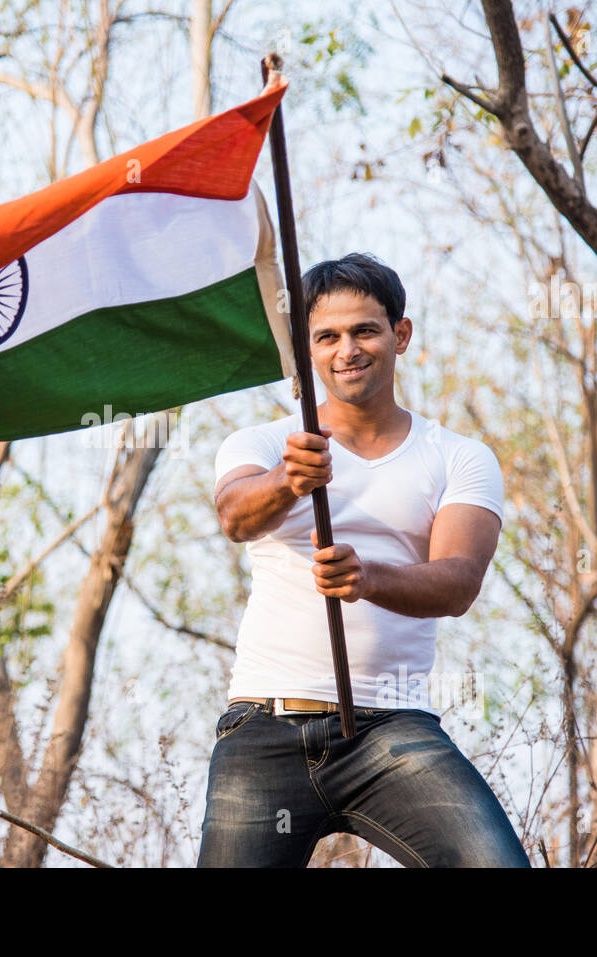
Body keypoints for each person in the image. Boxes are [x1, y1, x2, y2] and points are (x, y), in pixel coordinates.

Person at [197, 252, 531, 868]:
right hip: (265, 727)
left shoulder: (459, 457)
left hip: (393, 730)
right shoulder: (267, 444)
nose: (346, 349)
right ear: (306, 350)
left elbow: (457, 584)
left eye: (364, 330)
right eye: (326, 336)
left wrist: (368, 578)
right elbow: (234, 516)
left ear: (400, 336)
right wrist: (287, 481)